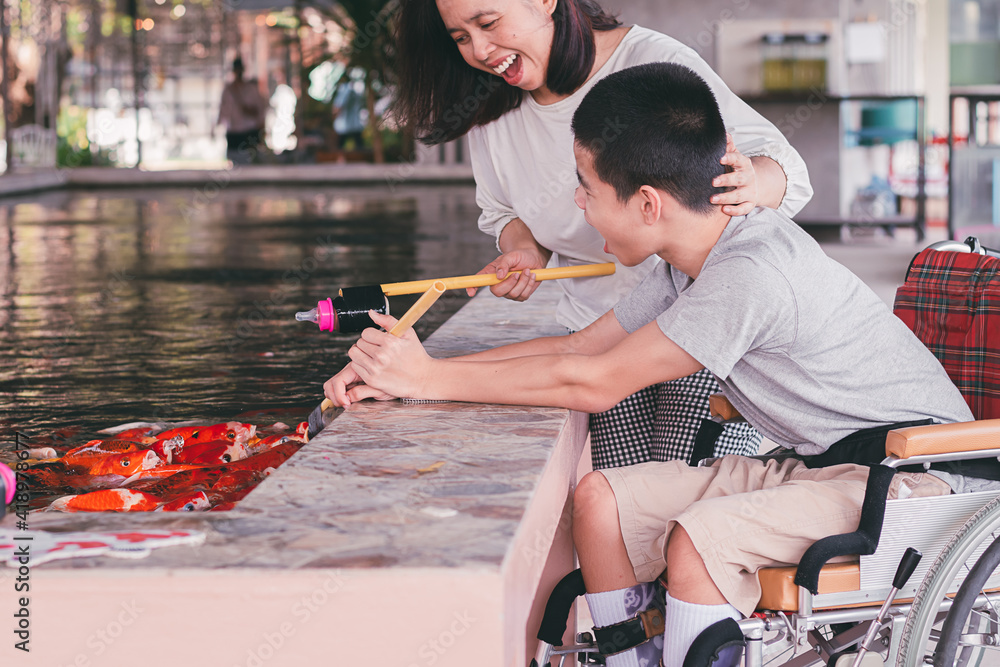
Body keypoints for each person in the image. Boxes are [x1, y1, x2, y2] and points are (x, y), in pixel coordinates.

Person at [326, 62, 986, 667]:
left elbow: (595, 381)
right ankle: (629, 657)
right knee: (602, 499)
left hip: (912, 482)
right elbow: (581, 347)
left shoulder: (747, 272)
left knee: (698, 541)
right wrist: (412, 371)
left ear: (648, 203)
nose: (578, 205)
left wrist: (428, 380)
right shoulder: (689, 259)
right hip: (833, 464)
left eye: (586, 187)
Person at [393, 0, 815, 470]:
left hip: (699, 327)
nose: (480, 50)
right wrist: (524, 251)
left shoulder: (652, 63)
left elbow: (786, 169)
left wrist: (750, 181)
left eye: (488, 23)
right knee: (624, 494)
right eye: (460, 38)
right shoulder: (491, 104)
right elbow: (504, 210)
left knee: (686, 497)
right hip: (598, 328)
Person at [217, 57, 268, 165]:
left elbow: (260, 110)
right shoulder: (229, 90)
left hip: (249, 132)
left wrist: (262, 128)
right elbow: (223, 109)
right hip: (234, 132)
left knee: (251, 162)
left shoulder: (251, 89)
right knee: (236, 162)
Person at [333, 68, 367, 151]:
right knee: (356, 139)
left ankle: (340, 157)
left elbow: (339, 104)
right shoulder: (353, 88)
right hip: (352, 121)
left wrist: (335, 114)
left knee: (343, 141)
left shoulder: (346, 88)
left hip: (347, 121)